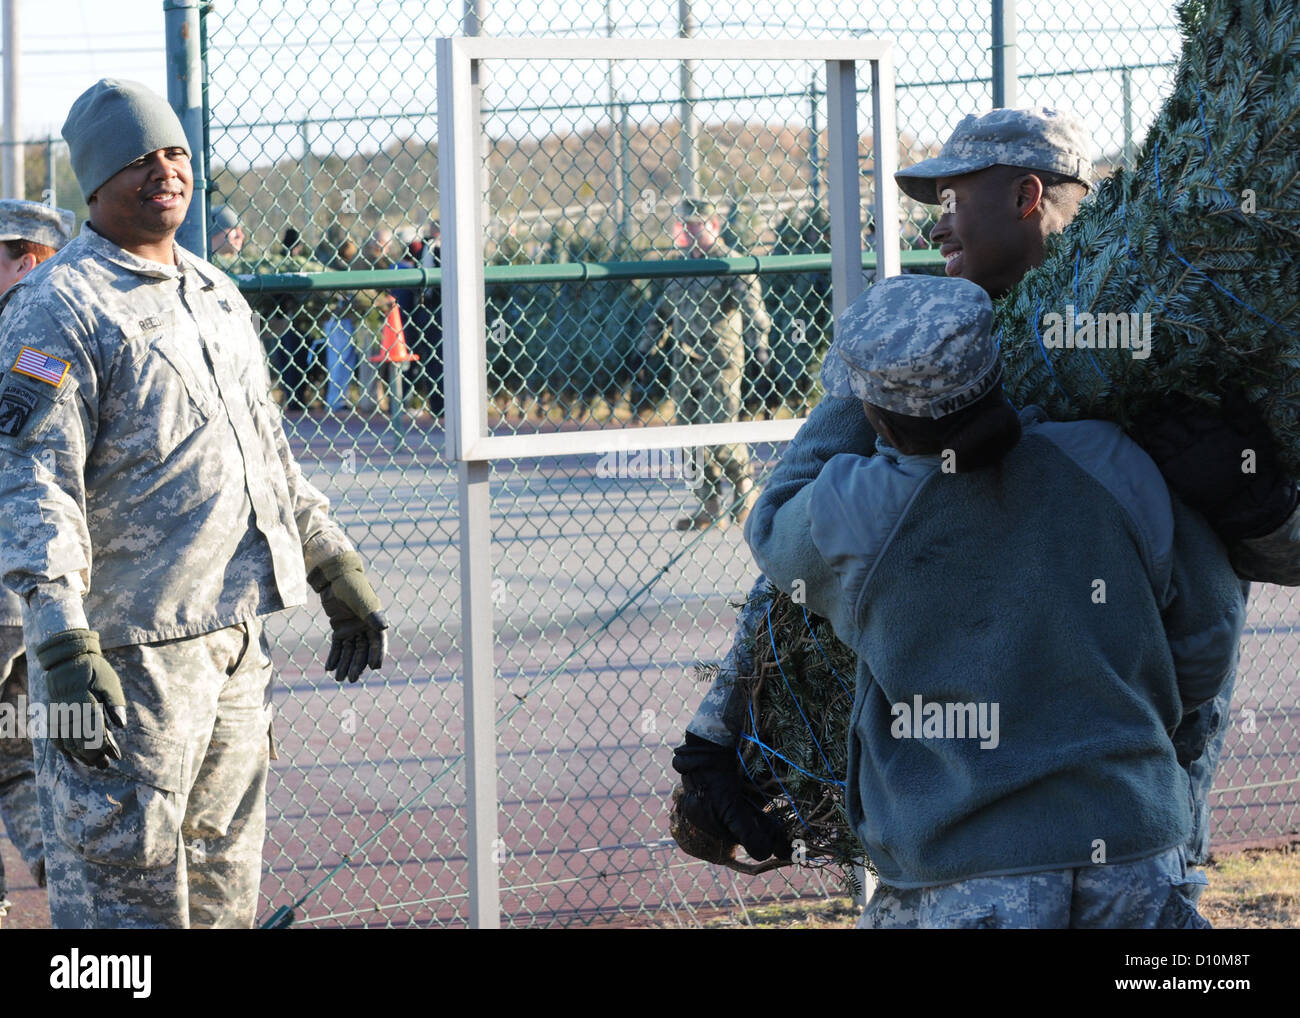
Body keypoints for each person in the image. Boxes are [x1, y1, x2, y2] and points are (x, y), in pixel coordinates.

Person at [673, 106, 1300, 895]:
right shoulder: (919, 354)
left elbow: (1227, 592)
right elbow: (803, 557)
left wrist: (1259, 503)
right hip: (1009, 809)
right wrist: (714, 733)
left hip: (1134, 795)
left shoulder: (1160, 340)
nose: (936, 229)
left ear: (1025, 195)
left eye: (951, 201)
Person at [0, 78, 389, 928]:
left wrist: (329, 558)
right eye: (139, 158)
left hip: (233, 643)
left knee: (222, 893)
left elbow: (267, 455)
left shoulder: (215, 293)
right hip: (118, 663)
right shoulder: (56, 306)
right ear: (96, 185)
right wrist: (60, 641)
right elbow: (34, 483)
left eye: (174, 152)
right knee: (119, 910)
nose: (164, 170)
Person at [741, 272, 1245, 927]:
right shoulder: (1110, 461)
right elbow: (1210, 626)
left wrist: (850, 391)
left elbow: (772, 516)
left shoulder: (858, 513)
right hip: (1134, 843)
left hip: (967, 868)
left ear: (877, 418)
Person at [0, 199, 75, 923]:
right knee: (13, 745)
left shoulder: (37, 330)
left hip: (20, 583)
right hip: (30, 585)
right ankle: (66, 870)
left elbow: (23, 435)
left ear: (28, 260)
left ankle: (76, 874)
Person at [637, 197, 771, 531]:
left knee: (720, 433)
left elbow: (753, 308)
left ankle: (744, 492)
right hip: (685, 361)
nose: (691, 232)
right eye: (686, 226)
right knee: (688, 436)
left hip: (721, 360)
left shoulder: (729, 262)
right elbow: (663, 311)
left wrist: (762, 349)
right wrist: (644, 349)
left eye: (698, 225)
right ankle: (709, 505)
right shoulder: (679, 265)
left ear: (714, 226)